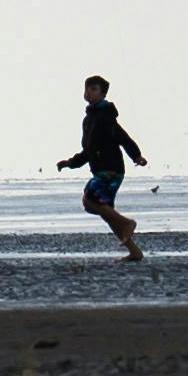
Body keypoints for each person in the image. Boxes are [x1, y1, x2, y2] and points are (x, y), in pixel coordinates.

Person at [60, 73, 148, 260]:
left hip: (111, 168)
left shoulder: (105, 116)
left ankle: (128, 223)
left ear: (103, 94)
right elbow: (88, 149)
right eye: (87, 89)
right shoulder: (90, 119)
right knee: (106, 211)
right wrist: (71, 163)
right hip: (101, 168)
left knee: (90, 200)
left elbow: (122, 137)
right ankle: (134, 251)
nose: (89, 92)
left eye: (94, 89)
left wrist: (136, 155)